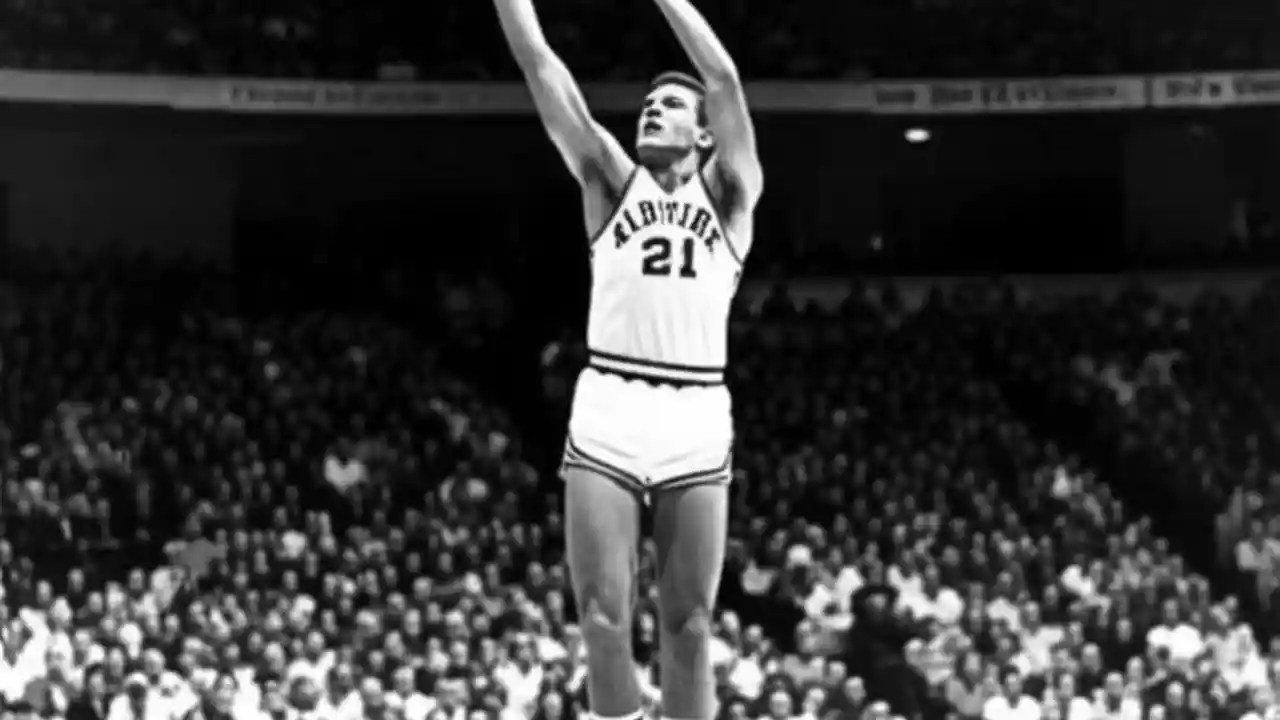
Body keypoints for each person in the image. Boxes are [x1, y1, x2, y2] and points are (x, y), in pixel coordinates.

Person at [492, 2, 764, 720]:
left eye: (671, 104)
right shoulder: (608, 179)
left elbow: (725, 77)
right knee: (603, 621)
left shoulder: (732, 194)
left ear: (704, 133)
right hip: (610, 400)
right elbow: (539, 61)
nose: (651, 110)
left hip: (696, 410)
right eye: (646, 102)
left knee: (690, 628)